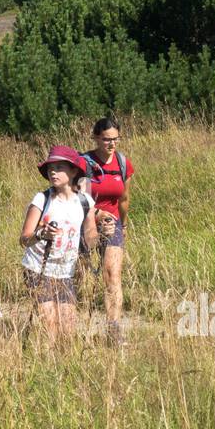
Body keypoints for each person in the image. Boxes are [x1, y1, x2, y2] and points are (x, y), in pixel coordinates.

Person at [20, 145, 99, 344]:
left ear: (73, 171)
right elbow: (24, 239)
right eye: (50, 168)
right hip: (39, 268)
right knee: (51, 327)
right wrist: (41, 234)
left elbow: (90, 240)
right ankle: (48, 367)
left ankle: (64, 371)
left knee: (68, 331)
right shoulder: (42, 198)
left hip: (67, 271)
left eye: (59, 167)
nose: (53, 171)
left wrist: (103, 234)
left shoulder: (85, 202)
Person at [80, 117, 134, 345]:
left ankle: (113, 330)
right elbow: (77, 198)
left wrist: (123, 225)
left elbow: (124, 198)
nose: (111, 144)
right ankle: (74, 322)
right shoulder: (84, 163)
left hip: (113, 225)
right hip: (84, 223)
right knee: (80, 276)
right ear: (95, 138)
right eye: (106, 139)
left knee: (112, 274)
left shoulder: (123, 163)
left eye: (115, 139)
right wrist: (96, 214)